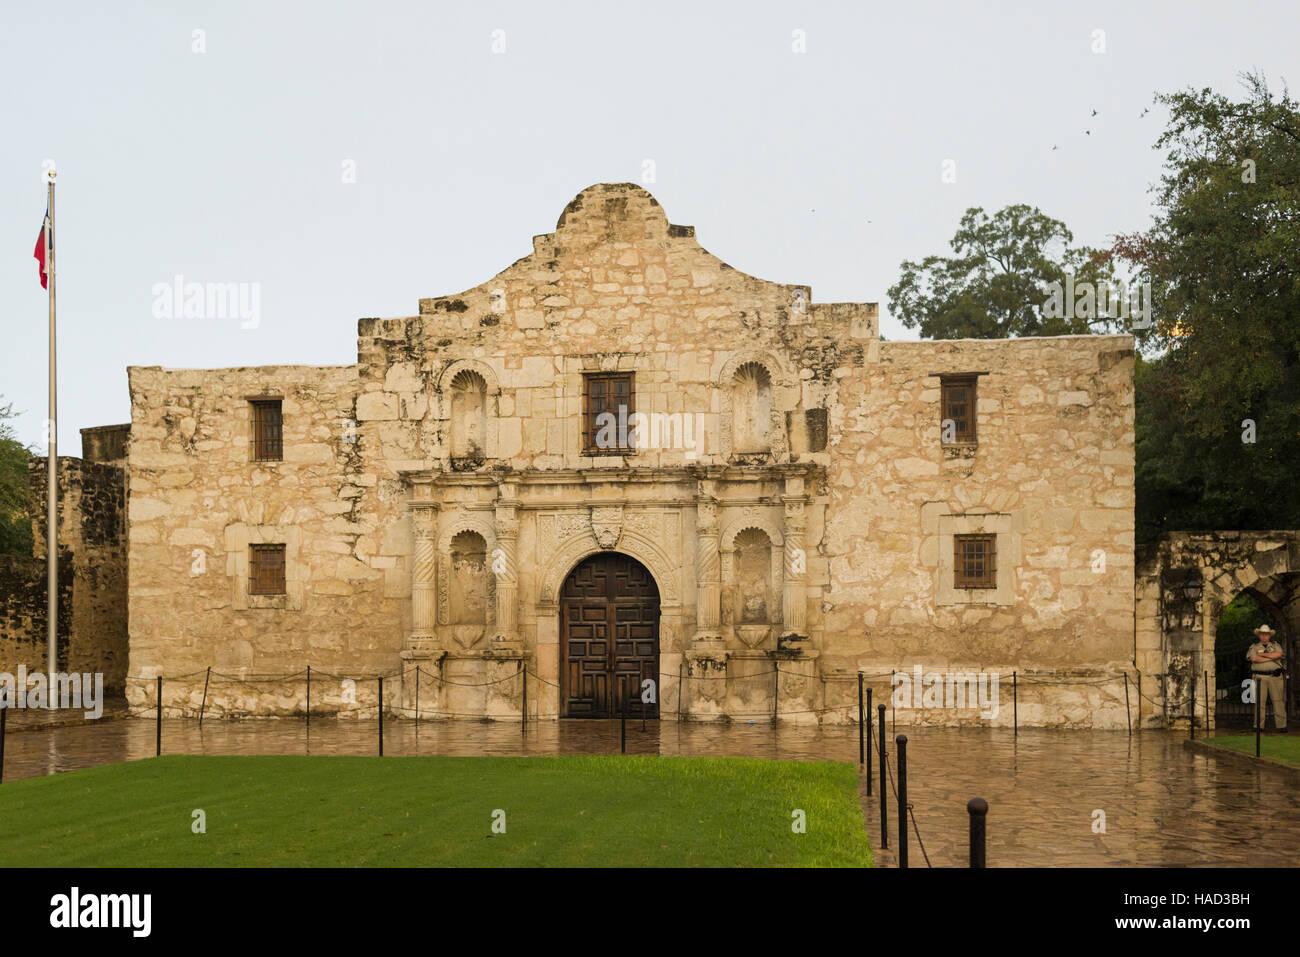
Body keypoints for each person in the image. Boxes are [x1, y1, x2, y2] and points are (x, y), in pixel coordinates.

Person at [1246, 624, 1287, 732]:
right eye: (1262, 634)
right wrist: (1269, 656)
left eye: (1266, 634)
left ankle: (1282, 725)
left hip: (1275, 677)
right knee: (1259, 702)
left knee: (1278, 701)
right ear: (1259, 635)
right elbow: (1254, 658)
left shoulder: (1276, 645)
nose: (1264, 636)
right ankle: (1259, 726)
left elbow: (1278, 654)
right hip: (1259, 677)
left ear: (1269, 635)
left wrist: (1263, 655)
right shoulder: (1254, 646)